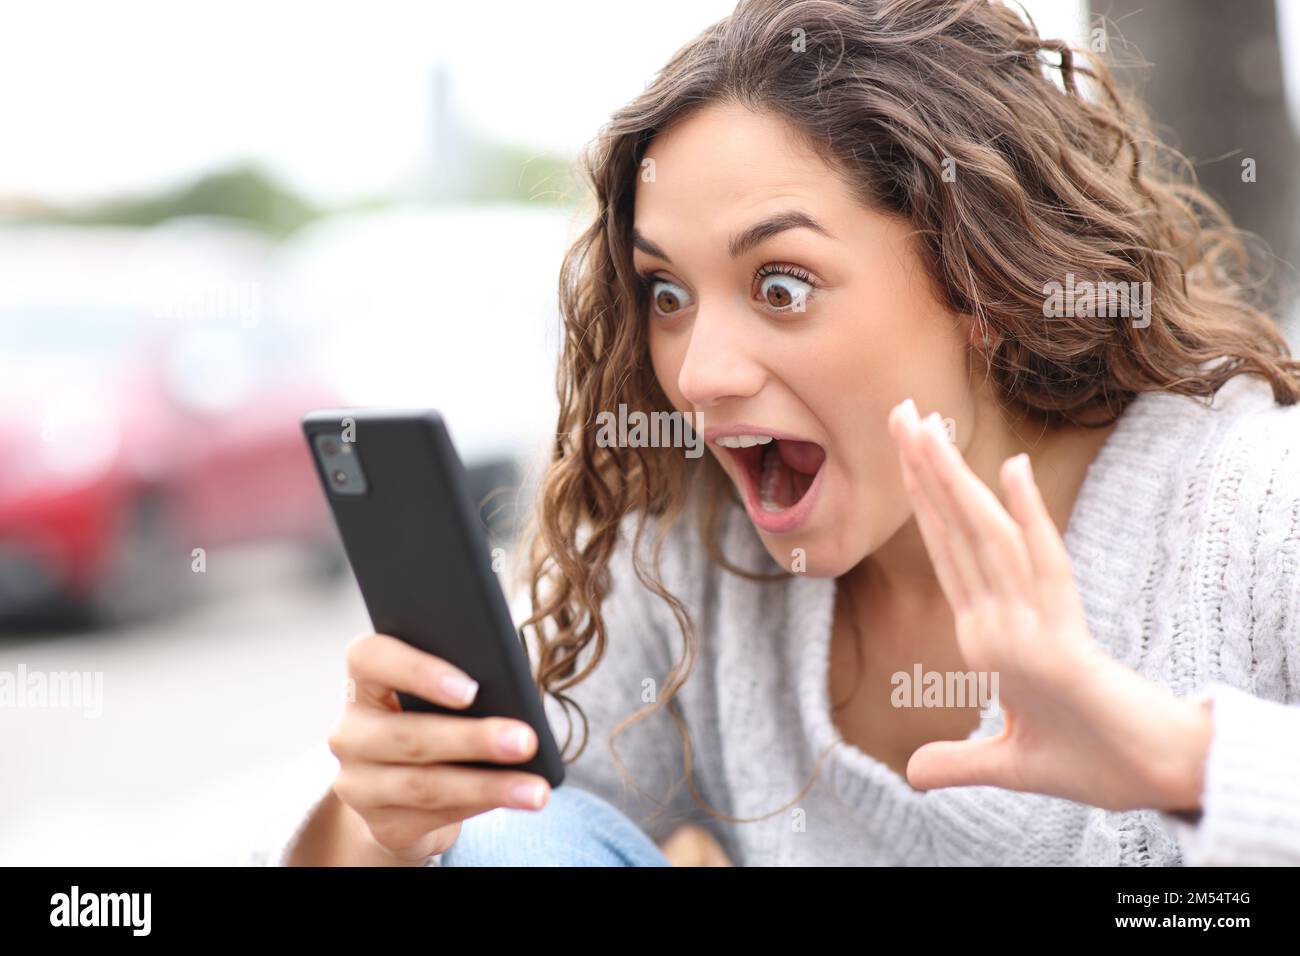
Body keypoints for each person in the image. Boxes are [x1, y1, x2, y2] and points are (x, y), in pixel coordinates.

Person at [253, 0, 1300, 867]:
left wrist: (1176, 760)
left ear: (980, 280)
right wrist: (381, 821)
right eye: (665, 291)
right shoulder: (701, 558)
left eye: (782, 284)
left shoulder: (1256, 508)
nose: (699, 374)